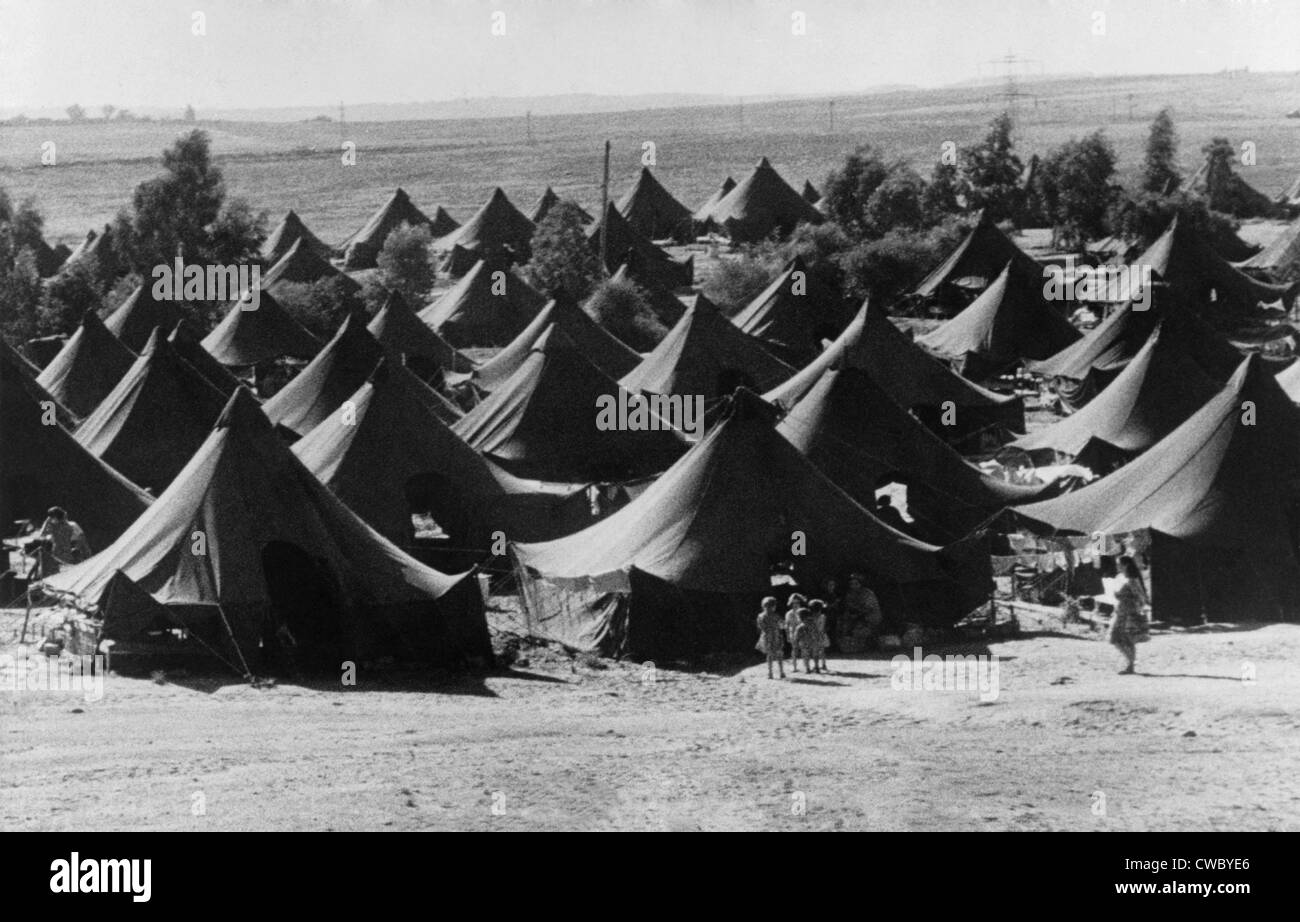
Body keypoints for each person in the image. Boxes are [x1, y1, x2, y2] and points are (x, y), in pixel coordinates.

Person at [1108, 556, 1149, 675]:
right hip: (1120, 610)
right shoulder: (1121, 578)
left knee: (1121, 638)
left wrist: (1135, 607)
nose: (1117, 566)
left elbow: (1141, 597)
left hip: (1128, 612)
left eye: (1119, 564)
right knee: (1119, 638)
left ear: (1125, 565)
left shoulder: (1131, 580)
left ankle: (1130, 664)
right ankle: (1130, 664)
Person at [29, 507, 91, 577]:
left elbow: (81, 539)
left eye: (51, 517)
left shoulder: (62, 526)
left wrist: (46, 522)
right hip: (65, 553)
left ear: (55, 517)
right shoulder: (67, 526)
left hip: (65, 553)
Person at [755, 596, 785, 679]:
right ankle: (781, 672)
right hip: (776, 636)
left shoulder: (760, 616)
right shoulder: (776, 616)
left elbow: (760, 627)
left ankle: (770, 673)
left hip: (767, 637)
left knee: (770, 655)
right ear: (774, 606)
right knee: (779, 654)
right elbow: (782, 626)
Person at [792, 607, 818, 674]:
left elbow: (796, 636)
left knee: (805, 656)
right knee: (815, 654)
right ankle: (816, 667)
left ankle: (807, 668)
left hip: (804, 643)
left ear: (800, 617)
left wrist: (795, 643)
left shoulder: (800, 626)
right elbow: (816, 632)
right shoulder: (813, 623)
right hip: (813, 641)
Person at [784, 593, 806, 666]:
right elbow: (787, 625)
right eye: (794, 603)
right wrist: (787, 635)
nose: (795, 604)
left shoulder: (803, 612)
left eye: (797, 602)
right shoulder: (789, 613)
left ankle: (806, 665)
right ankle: (794, 666)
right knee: (794, 649)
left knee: (804, 649)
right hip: (793, 632)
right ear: (791, 603)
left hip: (803, 632)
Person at [808, 599, 829, 673]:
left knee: (815, 652)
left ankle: (816, 666)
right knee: (822, 651)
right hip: (821, 635)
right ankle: (823, 664)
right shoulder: (823, 616)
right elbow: (822, 627)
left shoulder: (810, 618)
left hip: (814, 635)